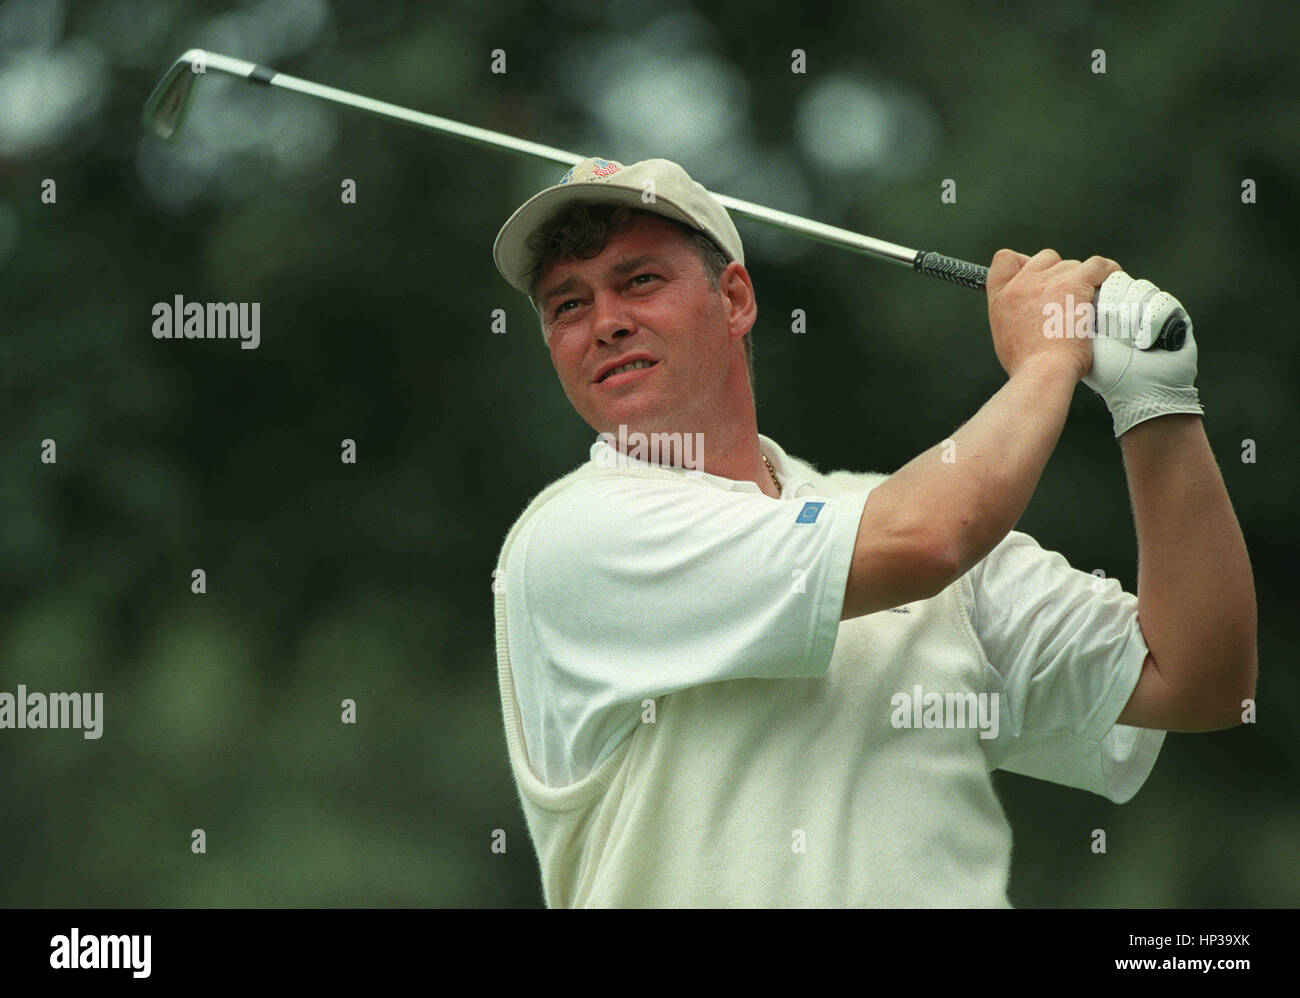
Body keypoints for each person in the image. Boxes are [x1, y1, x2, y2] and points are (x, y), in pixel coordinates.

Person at [488, 156, 1257, 907]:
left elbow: (1198, 680)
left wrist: (1156, 402)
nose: (607, 323)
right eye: (567, 305)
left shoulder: (880, 513)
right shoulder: (574, 536)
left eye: (639, 281)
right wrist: (1048, 361)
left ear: (735, 298)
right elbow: (929, 539)